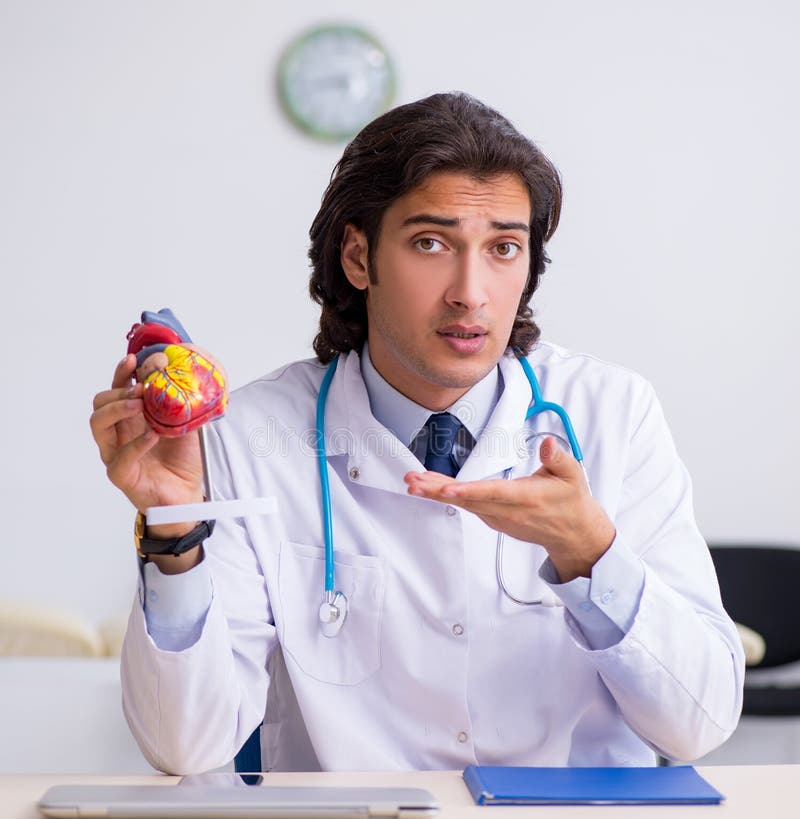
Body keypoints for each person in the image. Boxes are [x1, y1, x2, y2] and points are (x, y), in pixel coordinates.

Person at [90, 92, 744, 774]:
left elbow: (699, 724)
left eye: (503, 248)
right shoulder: (249, 435)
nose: (471, 291)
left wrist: (591, 553)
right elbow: (184, 747)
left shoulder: (615, 413)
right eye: (431, 243)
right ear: (357, 257)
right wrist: (173, 526)